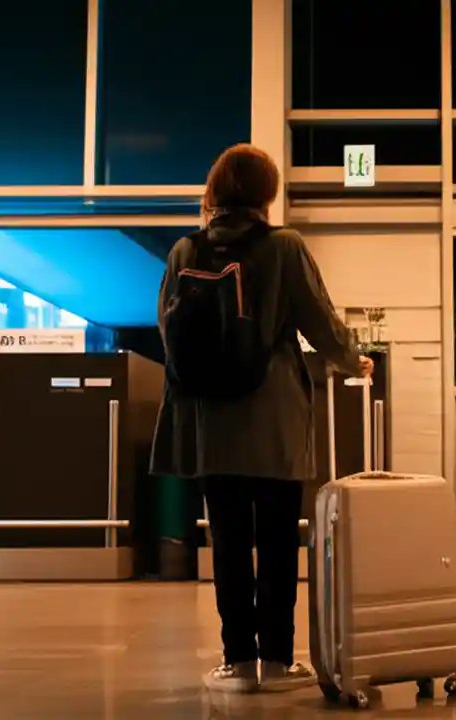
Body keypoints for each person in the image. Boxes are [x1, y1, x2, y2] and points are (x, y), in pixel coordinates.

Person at [151, 144, 371, 694]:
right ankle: (276, 660)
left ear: (216, 190)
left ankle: (236, 663)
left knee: (226, 539)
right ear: (266, 191)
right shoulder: (283, 247)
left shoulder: (185, 249)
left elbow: (167, 329)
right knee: (276, 538)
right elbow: (318, 318)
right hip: (272, 415)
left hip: (210, 420)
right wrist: (352, 359)